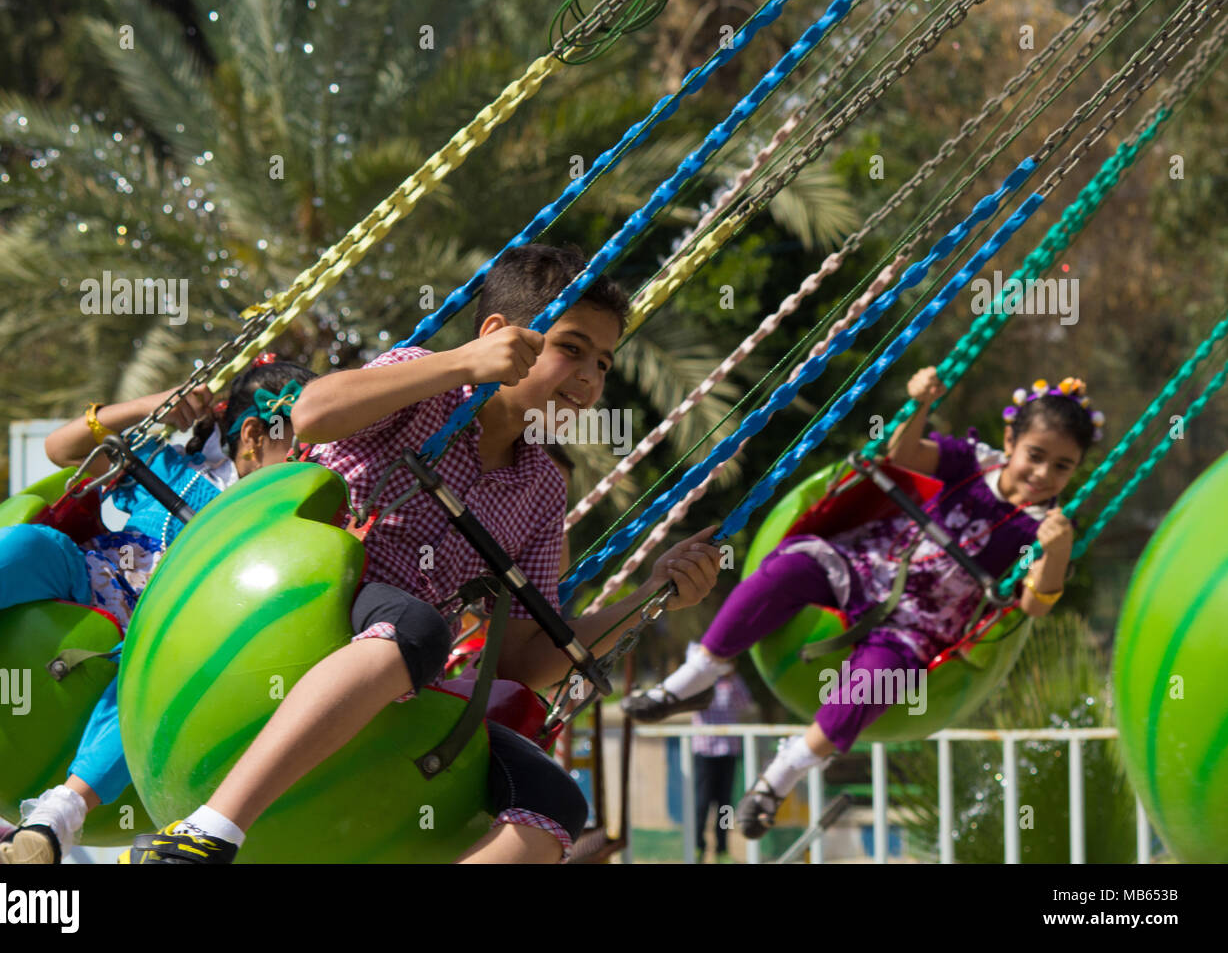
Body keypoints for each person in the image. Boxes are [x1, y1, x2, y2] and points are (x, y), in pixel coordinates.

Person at [123, 244, 724, 865]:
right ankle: (206, 831)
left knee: (555, 805)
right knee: (415, 627)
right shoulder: (425, 380)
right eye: (571, 347)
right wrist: (463, 365)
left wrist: (651, 597)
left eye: (603, 362)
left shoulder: (541, 489)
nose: (590, 378)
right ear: (501, 334)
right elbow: (313, 413)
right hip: (286, 609)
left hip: (399, 664)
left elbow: (524, 653)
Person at [624, 368, 1102, 838]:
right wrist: (919, 405)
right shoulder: (970, 463)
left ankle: (779, 778)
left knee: (873, 682)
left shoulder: (1047, 529)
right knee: (788, 566)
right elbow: (905, 453)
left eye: (1061, 466)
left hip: (919, 625)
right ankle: (694, 678)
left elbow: (1036, 604)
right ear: (1010, 439)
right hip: (866, 564)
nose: (1042, 474)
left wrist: (1056, 550)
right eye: (1034, 455)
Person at [0, 356, 316, 863]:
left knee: (150, 680)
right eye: (305, 444)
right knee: (30, 544)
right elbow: (61, 448)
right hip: (90, 578)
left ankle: (58, 813)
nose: (314, 459)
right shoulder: (180, 469)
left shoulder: (285, 520)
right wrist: (153, 406)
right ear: (253, 434)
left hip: (160, 641)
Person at [686, 642, 754, 862]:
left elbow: (745, 704)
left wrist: (732, 677)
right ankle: (698, 846)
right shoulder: (699, 682)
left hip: (728, 750)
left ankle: (722, 848)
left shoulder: (731, 682)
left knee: (725, 805)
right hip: (704, 750)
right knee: (702, 803)